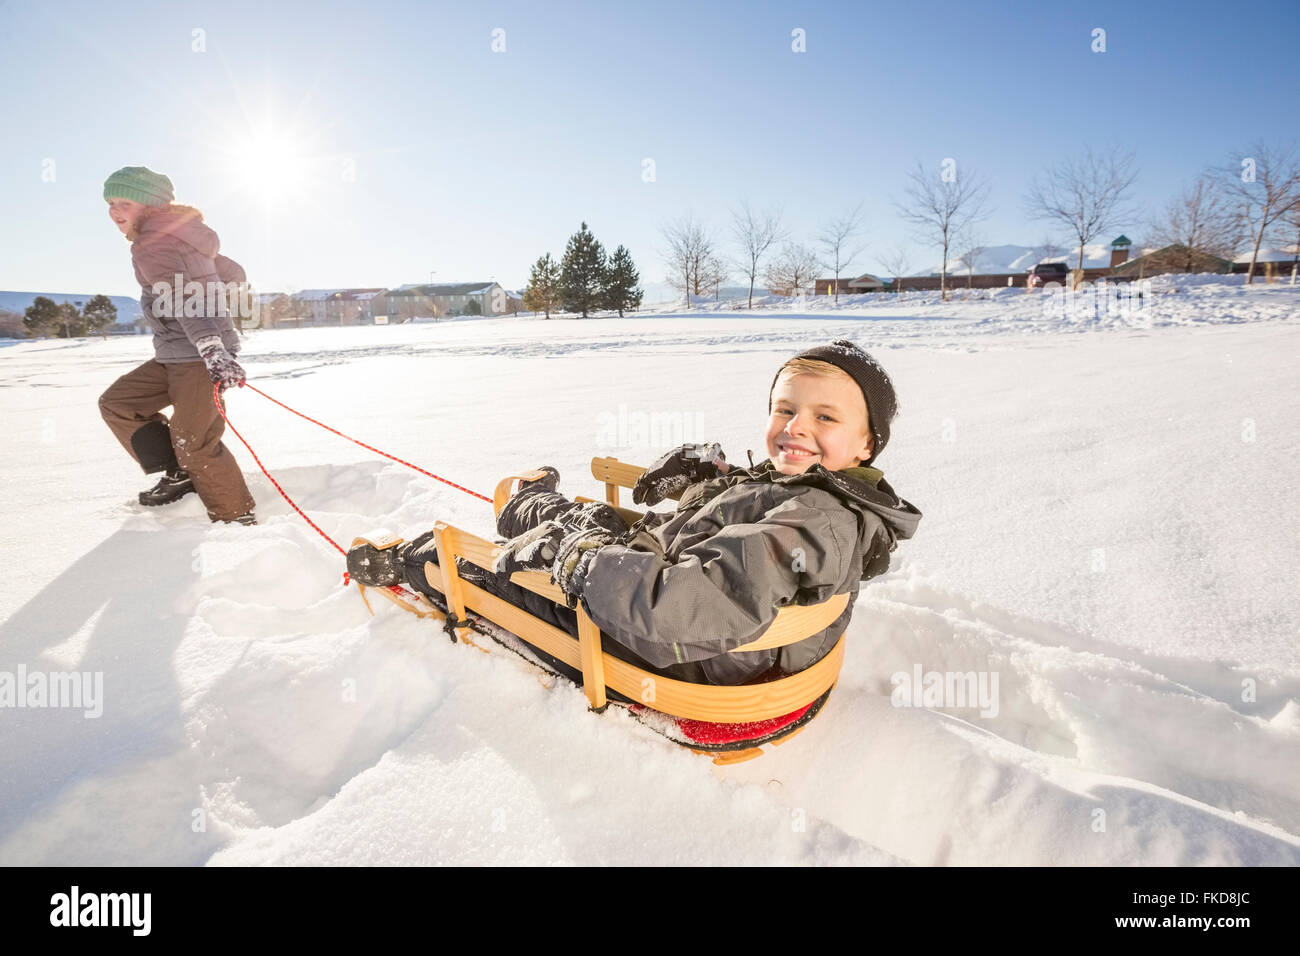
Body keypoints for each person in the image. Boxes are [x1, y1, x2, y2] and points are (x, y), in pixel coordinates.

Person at [348, 340, 922, 689]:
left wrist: (578, 563)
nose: (796, 427)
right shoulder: (825, 494)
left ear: (868, 443)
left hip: (676, 655)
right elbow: (754, 522)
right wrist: (711, 480)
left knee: (498, 571)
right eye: (786, 409)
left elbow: (682, 609)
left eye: (825, 418)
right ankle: (532, 506)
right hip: (679, 588)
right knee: (592, 523)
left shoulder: (816, 521)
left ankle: (408, 560)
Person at [96, 166, 257, 525]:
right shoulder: (183, 237)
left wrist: (212, 345)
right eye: (109, 202)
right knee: (120, 403)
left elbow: (183, 297)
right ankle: (178, 473)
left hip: (196, 356)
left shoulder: (153, 244)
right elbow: (234, 274)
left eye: (124, 201)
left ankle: (238, 522)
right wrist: (218, 311)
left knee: (195, 442)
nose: (114, 210)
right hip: (176, 352)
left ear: (151, 206)